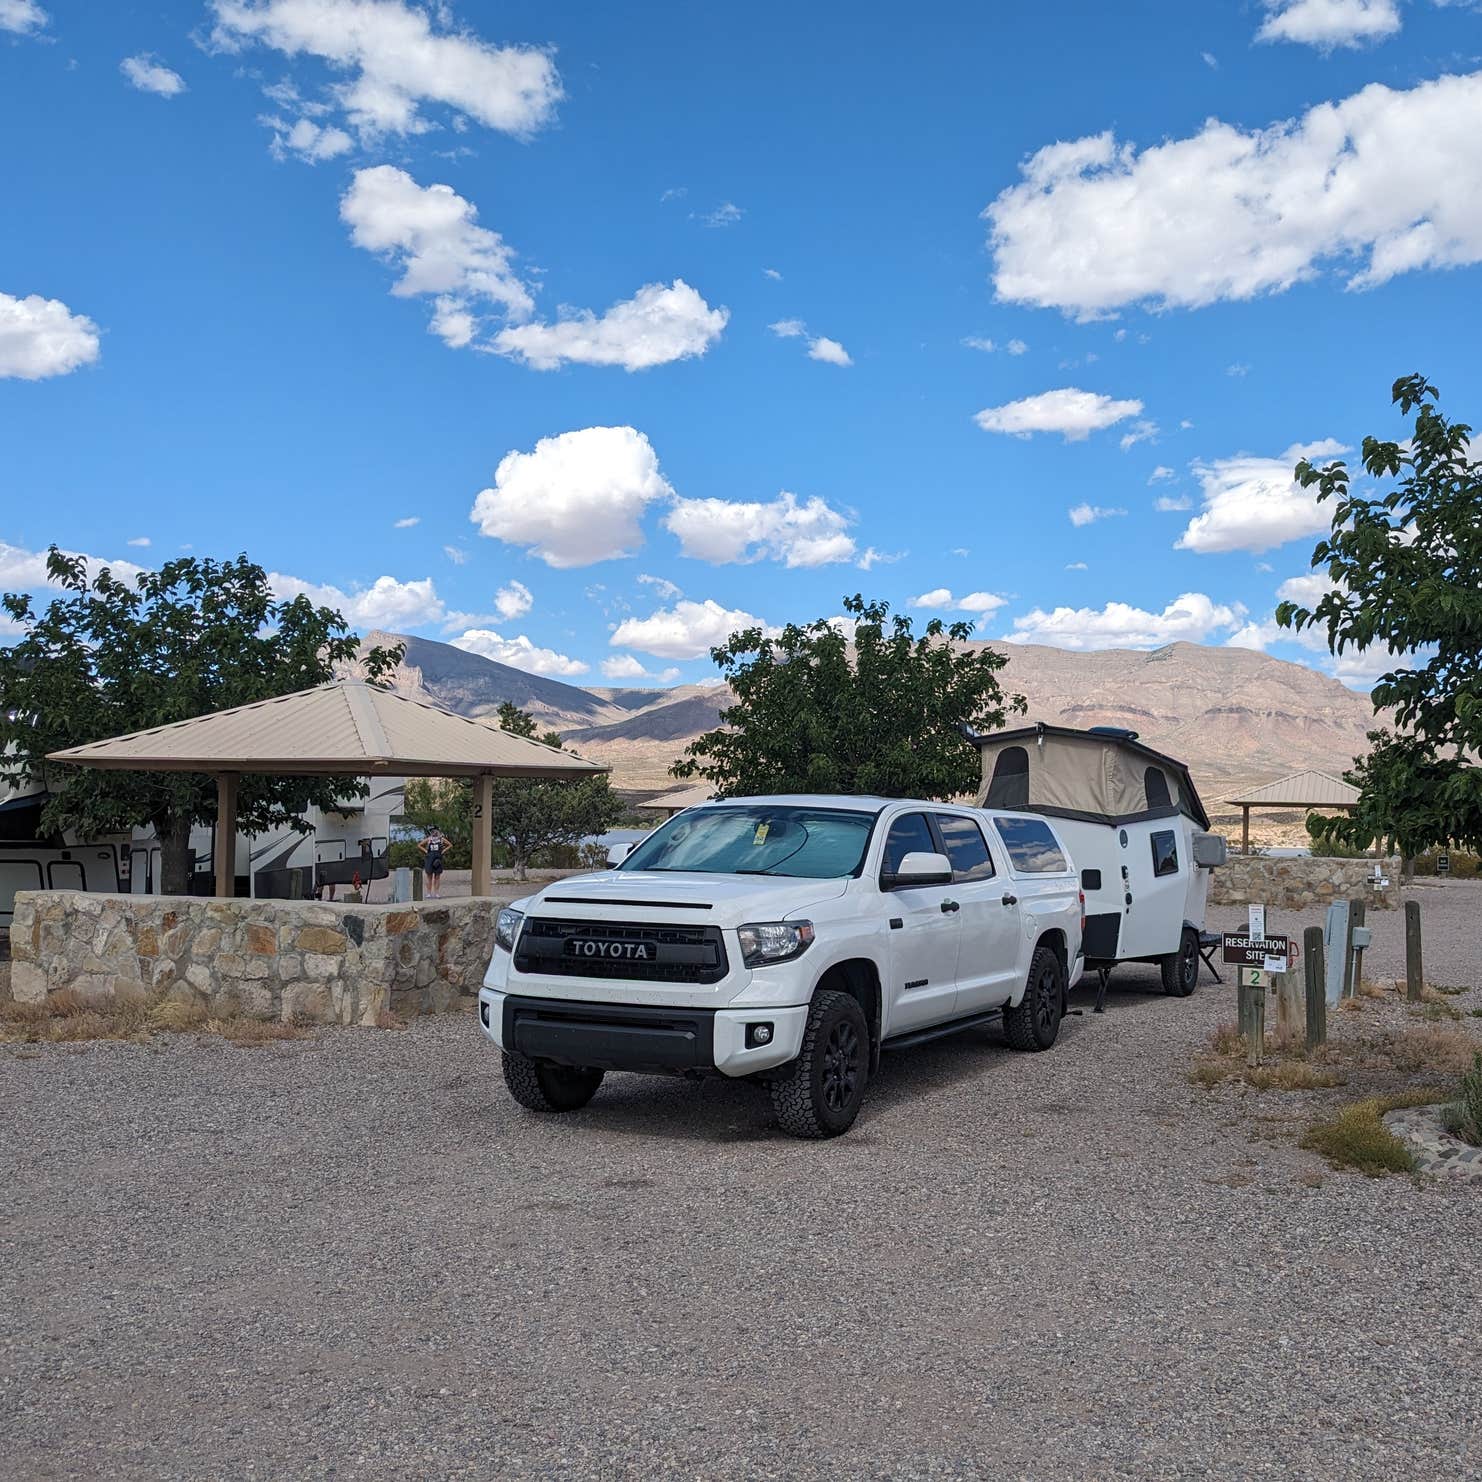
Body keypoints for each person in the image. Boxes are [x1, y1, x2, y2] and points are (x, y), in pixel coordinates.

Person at [418, 826, 447, 899]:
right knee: (429, 877)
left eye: (435, 831)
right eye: (432, 831)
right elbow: (419, 845)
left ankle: (436, 893)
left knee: (437, 877)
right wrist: (426, 851)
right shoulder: (429, 839)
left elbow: (450, 845)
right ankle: (428, 893)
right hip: (429, 859)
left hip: (438, 859)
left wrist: (443, 851)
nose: (434, 832)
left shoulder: (441, 839)